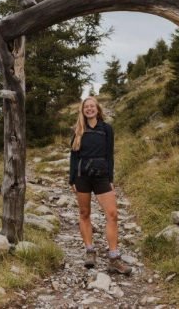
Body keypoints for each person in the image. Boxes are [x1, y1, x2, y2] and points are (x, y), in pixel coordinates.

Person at [68, 96, 132, 275]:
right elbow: (73, 157)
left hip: (102, 177)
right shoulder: (78, 130)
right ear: (82, 110)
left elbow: (110, 155)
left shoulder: (107, 129)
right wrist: (72, 179)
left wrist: (110, 178)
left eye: (92, 106)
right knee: (84, 213)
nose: (89, 109)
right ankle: (90, 251)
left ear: (97, 109)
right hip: (82, 177)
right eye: (86, 107)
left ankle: (114, 258)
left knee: (112, 214)